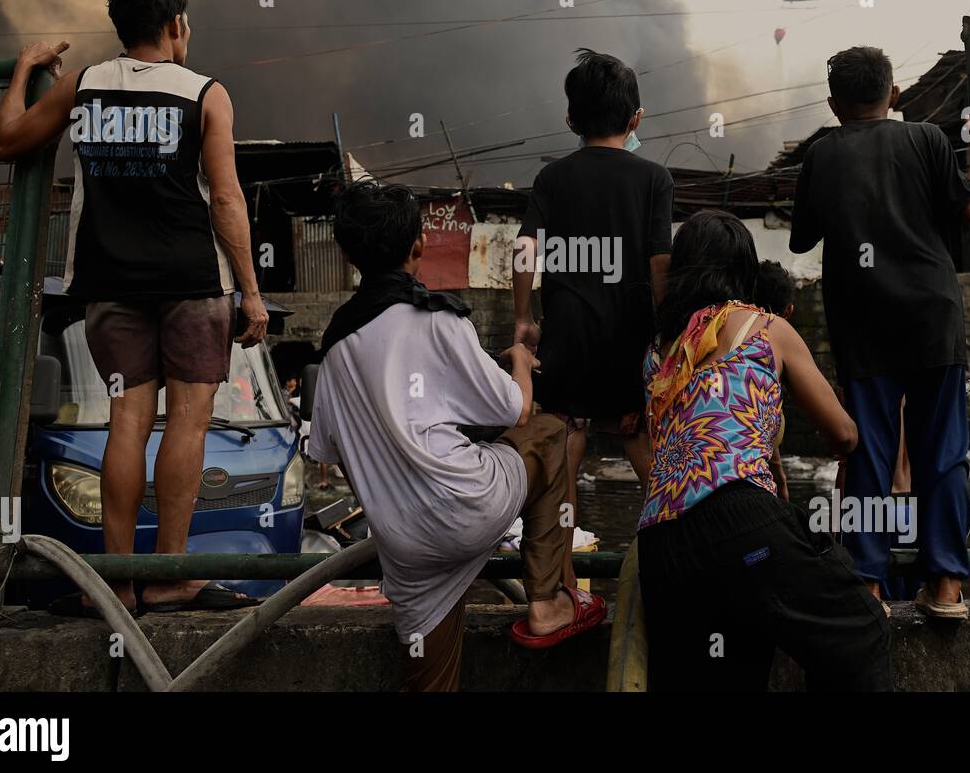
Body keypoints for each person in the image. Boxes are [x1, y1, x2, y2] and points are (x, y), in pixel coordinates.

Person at [0, 0, 267, 615]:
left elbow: (7, 141)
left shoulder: (84, 87)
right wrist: (250, 291)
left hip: (110, 288)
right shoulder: (206, 93)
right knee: (188, 426)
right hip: (194, 287)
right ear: (176, 25)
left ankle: (114, 585)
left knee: (127, 423)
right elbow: (226, 198)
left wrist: (24, 68)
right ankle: (172, 579)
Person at [307, 181, 605, 692]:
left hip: (403, 544)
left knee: (432, 684)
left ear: (346, 253)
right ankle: (548, 603)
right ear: (419, 246)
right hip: (468, 507)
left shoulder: (334, 349)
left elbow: (331, 452)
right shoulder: (437, 318)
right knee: (552, 433)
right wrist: (518, 364)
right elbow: (516, 408)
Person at [789, 45, 970, 621]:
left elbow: (802, 238)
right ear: (896, 96)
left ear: (834, 104)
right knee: (944, 456)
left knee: (867, 458)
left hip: (863, 326)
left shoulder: (821, 155)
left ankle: (869, 587)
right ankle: (946, 589)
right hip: (932, 317)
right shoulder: (928, 140)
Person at [638, 209, 891, 692]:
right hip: (739, 521)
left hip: (661, 545)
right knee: (861, 629)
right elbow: (844, 434)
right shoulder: (765, 327)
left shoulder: (656, 353)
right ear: (744, 271)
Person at [511, 48, 673, 585]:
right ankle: (669, 564)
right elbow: (659, 263)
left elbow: (524, 249)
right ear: (635, 120)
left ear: (570, 121)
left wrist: (522, 319)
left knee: (564, 456)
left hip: (568, 340)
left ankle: (560, 581)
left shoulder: (552, 178)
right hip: (629, 339)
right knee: (640, 443)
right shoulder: (654, 179)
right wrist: (665, 334)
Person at [752, 259, 796, 498]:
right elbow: (843, 435)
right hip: (760, 437)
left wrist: (779, 473)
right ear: (789, 310)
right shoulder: (778, 334)